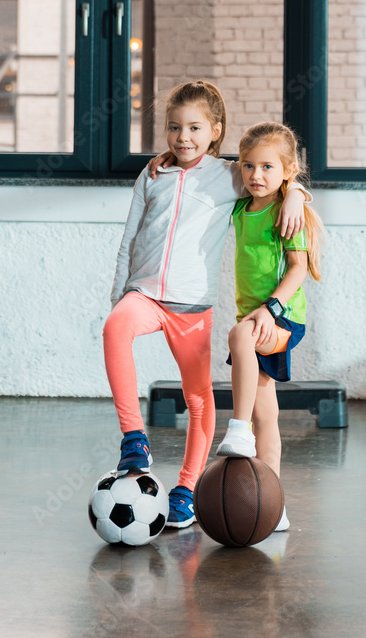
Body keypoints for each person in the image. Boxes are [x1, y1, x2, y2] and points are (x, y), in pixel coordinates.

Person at [103, 82, 313, 528]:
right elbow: (129, 236)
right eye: (174, 127)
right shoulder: (153, 173)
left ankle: (186, 490)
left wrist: (297, 193)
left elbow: (274, 176)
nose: (184, 137)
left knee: (200, 398)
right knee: (114, 327)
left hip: (193, 306)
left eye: (195, 127)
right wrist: (122, 290)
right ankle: (133, 438)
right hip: (144, 294)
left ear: (215, 131)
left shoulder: (230, 175)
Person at [216, 121, 325, 531]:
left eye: (267, 167)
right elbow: (209, 169)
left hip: (281, 316)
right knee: (269, 414)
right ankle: (274, 504)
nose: (256, 175)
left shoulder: (288, 211)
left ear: (287, 171)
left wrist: (272, 308)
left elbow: (298, 269)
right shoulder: (243, 206)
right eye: (248, 166)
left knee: (239, 335)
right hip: (253, 315)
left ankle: (236, 429)